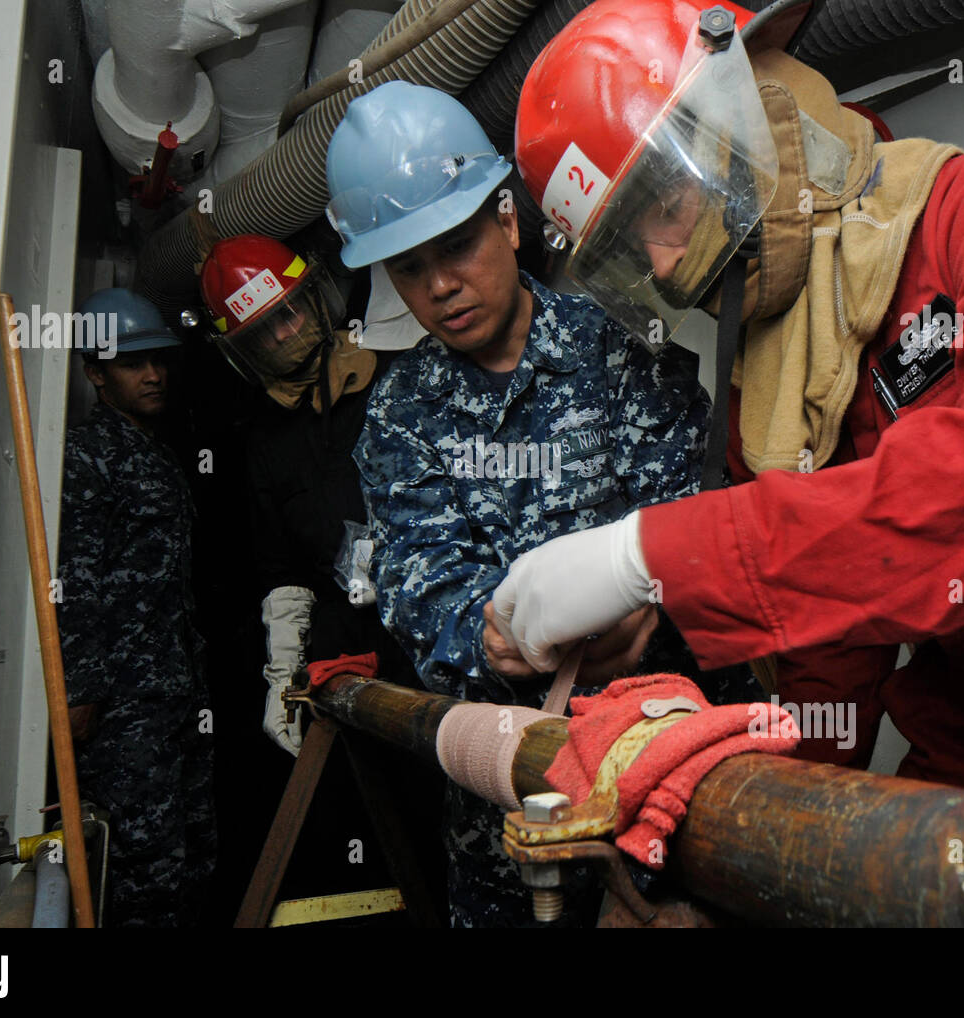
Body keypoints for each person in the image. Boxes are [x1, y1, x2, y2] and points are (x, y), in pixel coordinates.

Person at [494, 0, 964, 794]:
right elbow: (833, 653)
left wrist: (651, 555)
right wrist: (754, 805)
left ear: (760, 121)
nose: (666, 268)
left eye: (663, 205)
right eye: (633, 250)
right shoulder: (773, 398)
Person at [326, 81, 717, 926]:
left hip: (656, 781)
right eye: (409, 267)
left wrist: (645, 611)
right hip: (505, 813)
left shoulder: (620, 347)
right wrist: (494, 641)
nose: (439, 286)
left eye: (457, 245)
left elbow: (690, 528)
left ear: (507, 222)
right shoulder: (400, 416)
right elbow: (422, 590)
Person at [197, 235, 447, 914]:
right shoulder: (264, 446)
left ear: (315, 298)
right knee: (371, 828)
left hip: (435, 635)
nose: (288, 331)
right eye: (266, 330)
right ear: (244, 351)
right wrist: (282, 676)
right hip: (351, 659)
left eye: (291, 311)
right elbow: (281, 570)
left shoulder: (402, 376)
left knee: (459, 816)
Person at [57, 287, 215, 927]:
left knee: (192, 857)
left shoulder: (155, 451)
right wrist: (83, 689)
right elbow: (73, 578)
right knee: (141, 871)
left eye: (157, 360)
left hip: (175, 689)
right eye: (131, 364)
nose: (153, 375)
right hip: (123, 709)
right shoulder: (86, 457)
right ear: (96, 375)